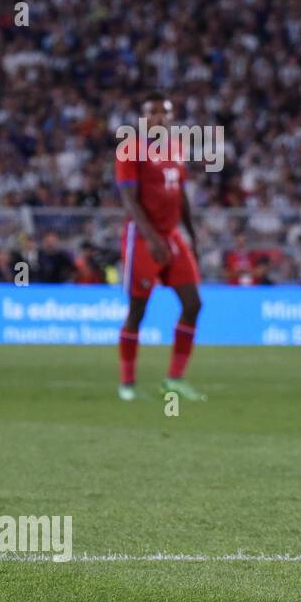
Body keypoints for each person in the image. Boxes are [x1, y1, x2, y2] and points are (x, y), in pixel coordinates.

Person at [115, 94, 205, 401]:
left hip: (172, 236)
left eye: (163, 113)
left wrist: (191, 233)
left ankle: (174, 379)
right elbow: (129, 199)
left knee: (193, 304)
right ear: (142, 117)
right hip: (142, 237)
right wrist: (152, 238)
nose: (158, 118)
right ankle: (127, 384)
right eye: (152, 112)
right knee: (137, 311)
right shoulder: (130, 149)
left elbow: (181, 195)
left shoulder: (177, 148)